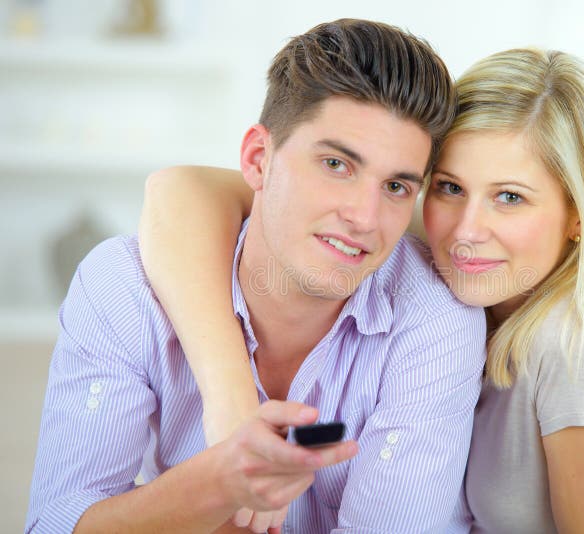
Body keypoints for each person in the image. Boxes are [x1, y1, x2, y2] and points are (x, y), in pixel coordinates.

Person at [137, 47, 584, 533]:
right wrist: (229, 398)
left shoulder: (583, 347)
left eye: (511, 198)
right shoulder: (437, 251)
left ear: (579, 214)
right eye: (450, 186)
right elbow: (175, 191)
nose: (468, 230)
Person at [26, 19, 487, 534]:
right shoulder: (123, 287)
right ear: (257, 159)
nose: (365, 216)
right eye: (336, 163)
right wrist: (215, 484)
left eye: (397, 187)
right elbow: (57, 522)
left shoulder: (432, 318)